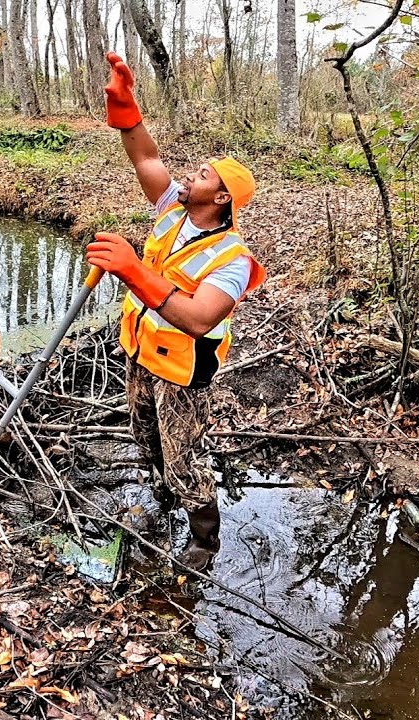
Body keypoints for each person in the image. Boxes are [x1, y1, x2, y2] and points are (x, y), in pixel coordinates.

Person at [85, 52, 266, 571]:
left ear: (223, 196)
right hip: (141, 352)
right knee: (145, 437)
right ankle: (162, 500)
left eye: (204, 174)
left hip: (183, 371)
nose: (191, 174)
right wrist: (126, 109)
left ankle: (204, 540)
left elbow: (199, 317)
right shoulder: (172, 210)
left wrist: (131, 270)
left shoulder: (232, 259)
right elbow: (145, 158)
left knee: (183, 456)